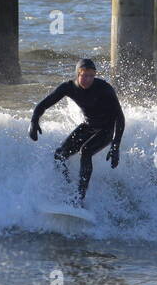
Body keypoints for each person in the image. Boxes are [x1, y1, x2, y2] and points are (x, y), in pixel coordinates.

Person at [29, 59, 125, 205]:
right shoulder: (69, 87)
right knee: (59, 155)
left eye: (91, 76)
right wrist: (34, 121)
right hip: (88, 125)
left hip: (107, 129)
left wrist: (116, 145)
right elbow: (44, 104)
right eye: (84, 75)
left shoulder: (104, 88)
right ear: (77, 74)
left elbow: (120, 117)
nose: (88, 79)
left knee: (86, 151)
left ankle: (79, 198)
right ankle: (67, 190)